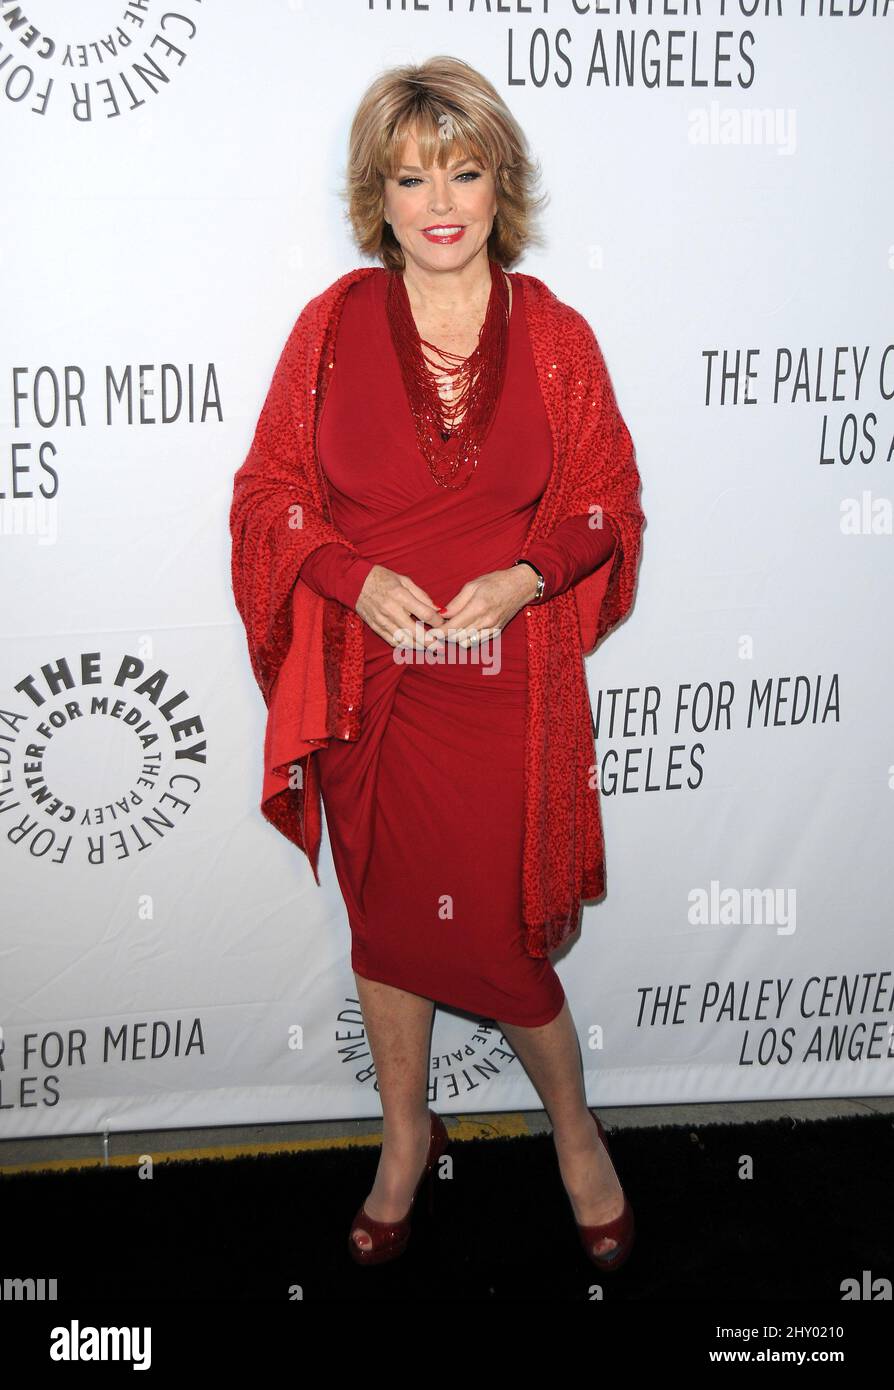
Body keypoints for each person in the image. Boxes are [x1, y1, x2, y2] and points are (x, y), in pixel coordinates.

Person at [229, 55, 646, 1269]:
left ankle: (576, 1131)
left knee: (508, 952)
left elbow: (609, 504)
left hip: (507, 701)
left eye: (463, 168)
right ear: (381, 194)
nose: (440, 198)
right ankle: (405, 1136)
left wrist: (527, 575)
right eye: (411, 176)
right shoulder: (331, 326)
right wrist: (350, 577)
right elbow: (269, 493)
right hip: (372, 696)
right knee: (392, 933)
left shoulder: (558, 336)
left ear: (498, 179)